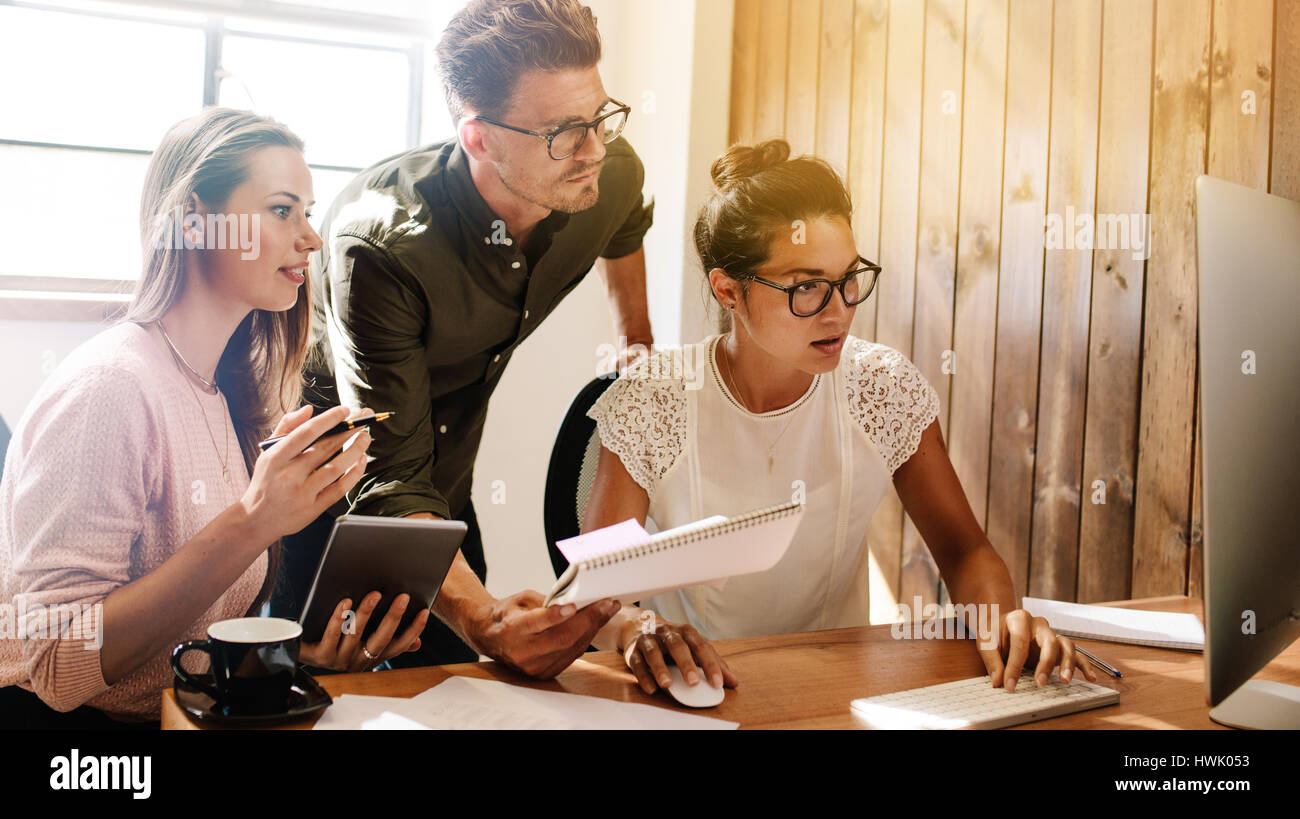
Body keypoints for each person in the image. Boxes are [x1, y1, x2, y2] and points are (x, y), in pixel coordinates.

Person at [582, 139, 1099, 696]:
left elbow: (965, 549)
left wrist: (1004, 622)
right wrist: (638, 626)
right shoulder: (655, 397)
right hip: (691, 693)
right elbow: (594, 590)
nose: (840, 310)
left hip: (838, 689)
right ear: (728, 289)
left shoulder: (883, 387)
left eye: (849, 278)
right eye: (807, 287)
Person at [0, 108, 426, 728]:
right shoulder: (109, 389)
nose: (310, 237)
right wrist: (253, 522)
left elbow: (182, 637)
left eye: (308, 212)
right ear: (197, 220)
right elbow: (62, 663)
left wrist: (300, 657)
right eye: (282, 211)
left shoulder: (220, 393)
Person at [276, 0, 654, 675]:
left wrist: (638, 341)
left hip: (446, 496)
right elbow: (388, 474)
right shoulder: (382, 245)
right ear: (478, 136)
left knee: (468, 692)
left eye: (599, 117)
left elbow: (624, 225)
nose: (595, 148)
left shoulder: (606, 171)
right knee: (319, 701)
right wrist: (482, 615)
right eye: (565, 132)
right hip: (336, 504)